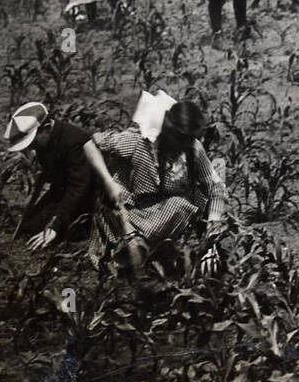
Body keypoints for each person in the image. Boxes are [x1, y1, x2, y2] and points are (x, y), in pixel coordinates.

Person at [83, 98, 226, 274]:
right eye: (182, 138)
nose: (187, 144)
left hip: (161, 214)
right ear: (168, 129)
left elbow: (215, 186)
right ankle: (132, 251)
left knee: (182, 204)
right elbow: (91, 142)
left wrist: (211, 232)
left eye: (191, 138)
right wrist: (108, 181)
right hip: (128, 212)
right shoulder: (139, 143)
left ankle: (146, 251)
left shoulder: (192, 149)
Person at [5, 101, 95, 251]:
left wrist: (56, 223)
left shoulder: (73, 141)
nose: (30, 147)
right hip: (63, 190)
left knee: (62, 235)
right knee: (31, 227)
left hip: (88, 194)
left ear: (46, 128)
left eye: (32, 142)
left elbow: (79, 187)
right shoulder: (45, 141)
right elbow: (53, 177)